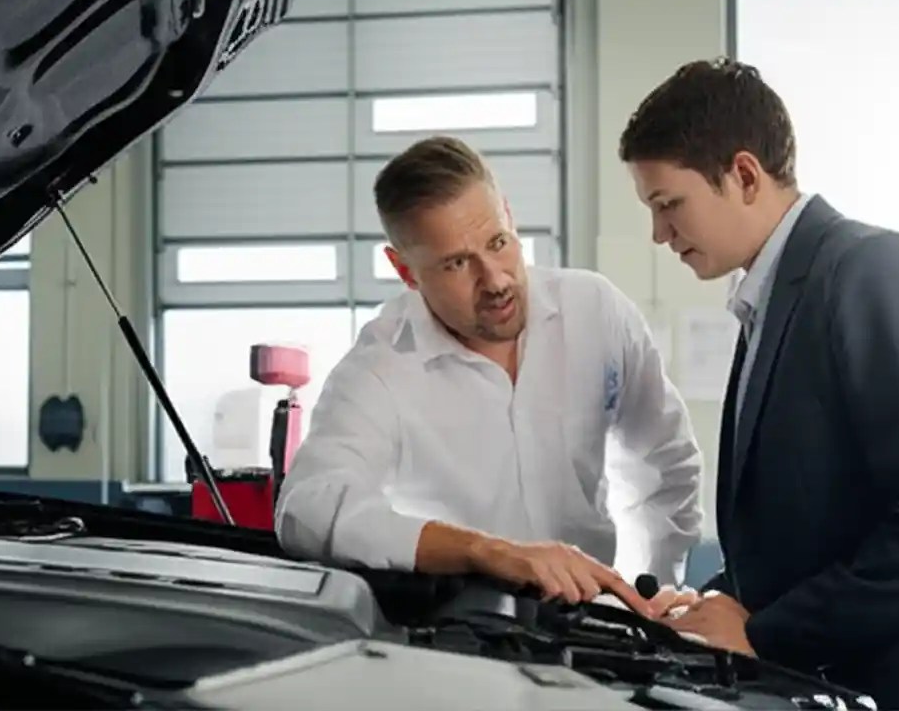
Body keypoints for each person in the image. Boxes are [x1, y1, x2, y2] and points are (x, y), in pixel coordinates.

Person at [618, 58, 899, 709]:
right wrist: (719, 603)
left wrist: (764, 633)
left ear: (744, 175)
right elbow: (817, 521)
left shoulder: (874, 270)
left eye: (670, 206)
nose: (659, 234)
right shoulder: (772, 301)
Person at [274, 135, 705, 618]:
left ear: (509, 215)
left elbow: (665, 461)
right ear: (405, 271)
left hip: (595, 631)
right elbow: (306, 510)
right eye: (458, 263)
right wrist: (486, 552)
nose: (495, 279)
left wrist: (647, 589)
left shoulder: (596, 312)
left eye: (498, 243)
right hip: (458, 639)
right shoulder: (379, 369)